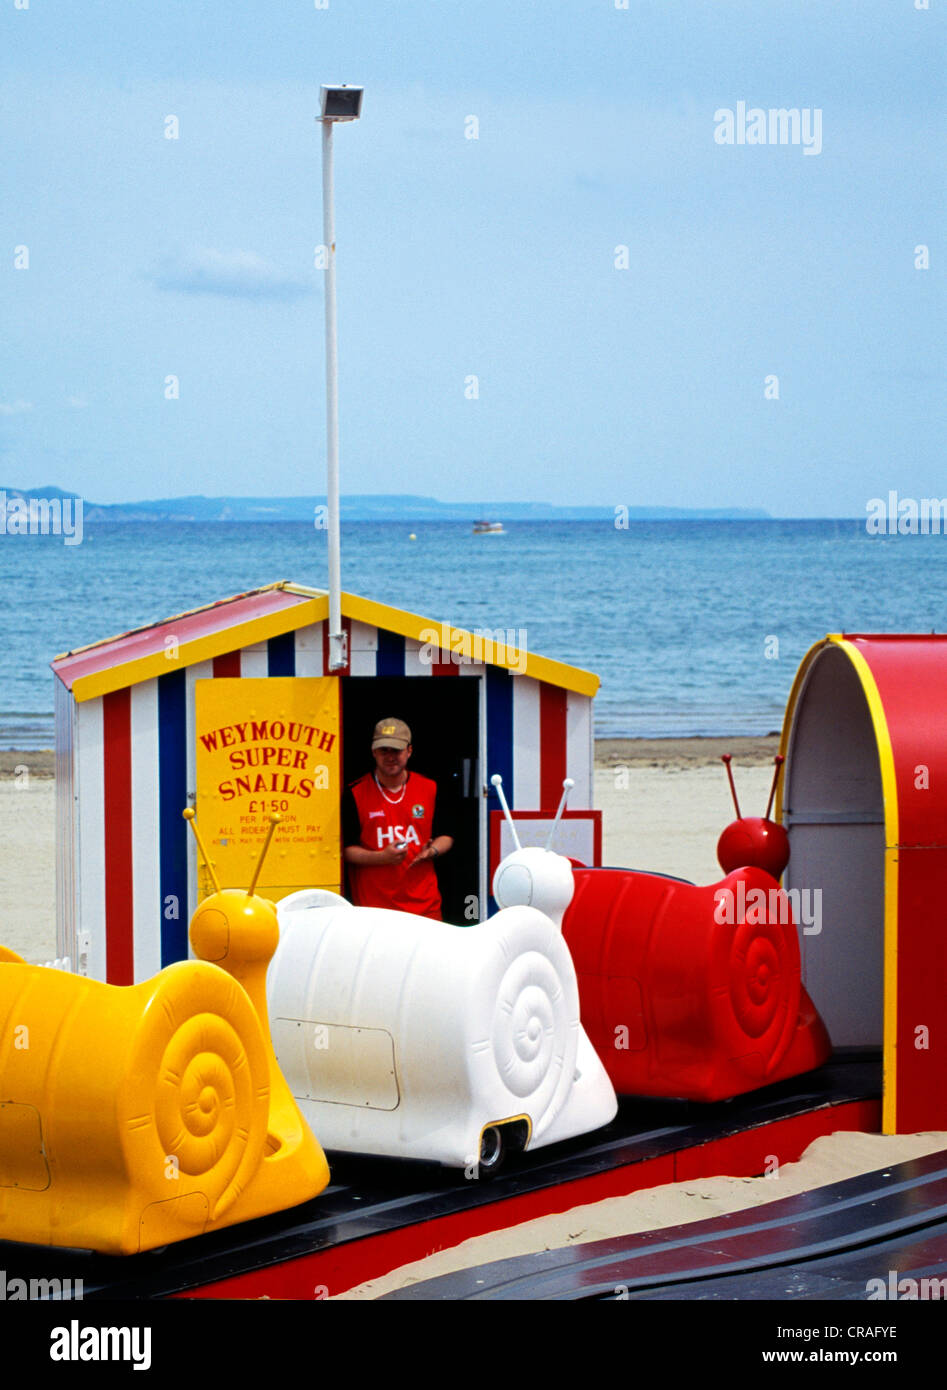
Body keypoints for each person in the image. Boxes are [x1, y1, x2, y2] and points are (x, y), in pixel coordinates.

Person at [342, 717, 454, 920]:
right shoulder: (354, 792)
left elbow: (447, 835)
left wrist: (433, 850)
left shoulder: (430, 787)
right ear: (373, 752)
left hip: (424, 907)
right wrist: (381, 857)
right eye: (384, 750)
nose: (390, 756)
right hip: (375, 910)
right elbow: (346, 850)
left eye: (396, 750)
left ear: (409, 751)